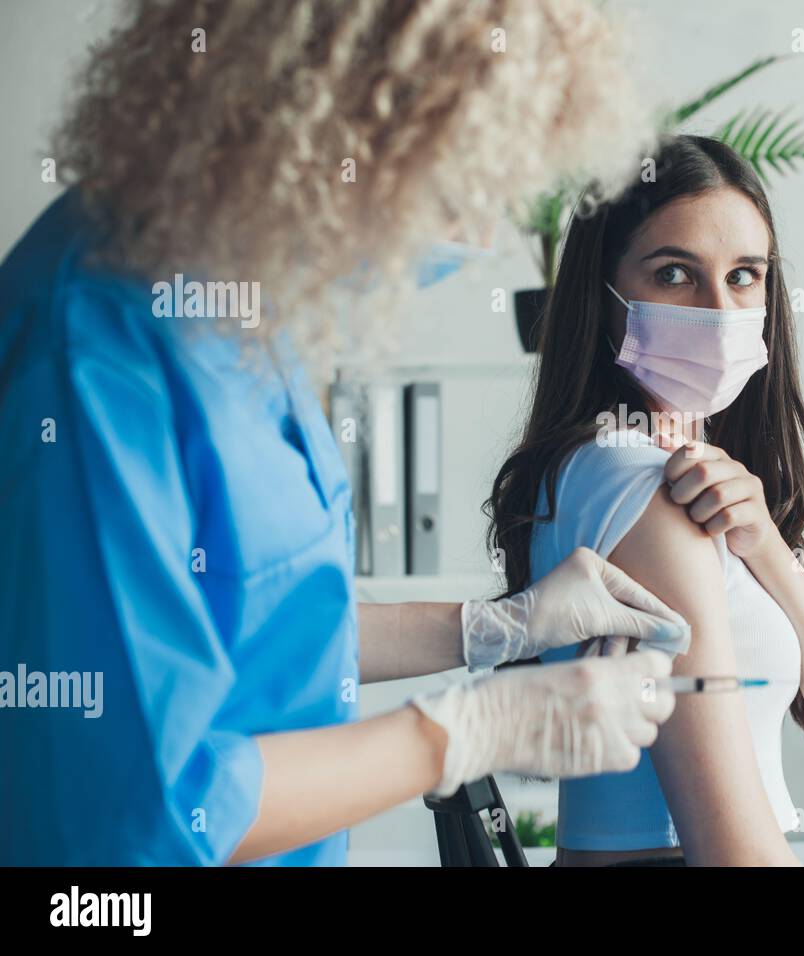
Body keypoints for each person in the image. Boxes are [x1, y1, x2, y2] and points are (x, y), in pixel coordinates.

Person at [0, 0, 682, 866]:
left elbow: (253, 625)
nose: (477, 235)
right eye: (456, 179)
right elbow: (144, 815)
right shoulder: (92, 351)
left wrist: (493, 627)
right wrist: (473, 730)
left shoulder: (243, 299)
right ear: (332, 110)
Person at [488, 135, 804, 866]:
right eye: (675, 273)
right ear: (603, 294)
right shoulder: (636, 481)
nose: (719, 308)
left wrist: (768, 549)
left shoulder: (688, 481)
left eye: (745, 275)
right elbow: (731, 852)